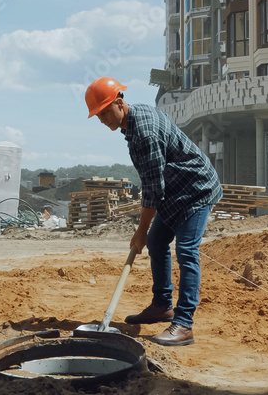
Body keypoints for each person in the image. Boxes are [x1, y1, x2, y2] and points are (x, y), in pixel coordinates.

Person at [85, 77, 222, 346]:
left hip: (196, 189)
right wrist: (147, 234)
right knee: (158, 243)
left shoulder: (145, 132)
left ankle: (183, 324)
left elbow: (152, 190)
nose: (102, 119)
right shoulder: (135, 119)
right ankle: (162, 305)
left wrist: (140, 231)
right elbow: (155, 185)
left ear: (120, 103)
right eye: (97, 115)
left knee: (186, 251)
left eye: (104, 112)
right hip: (176, 190)